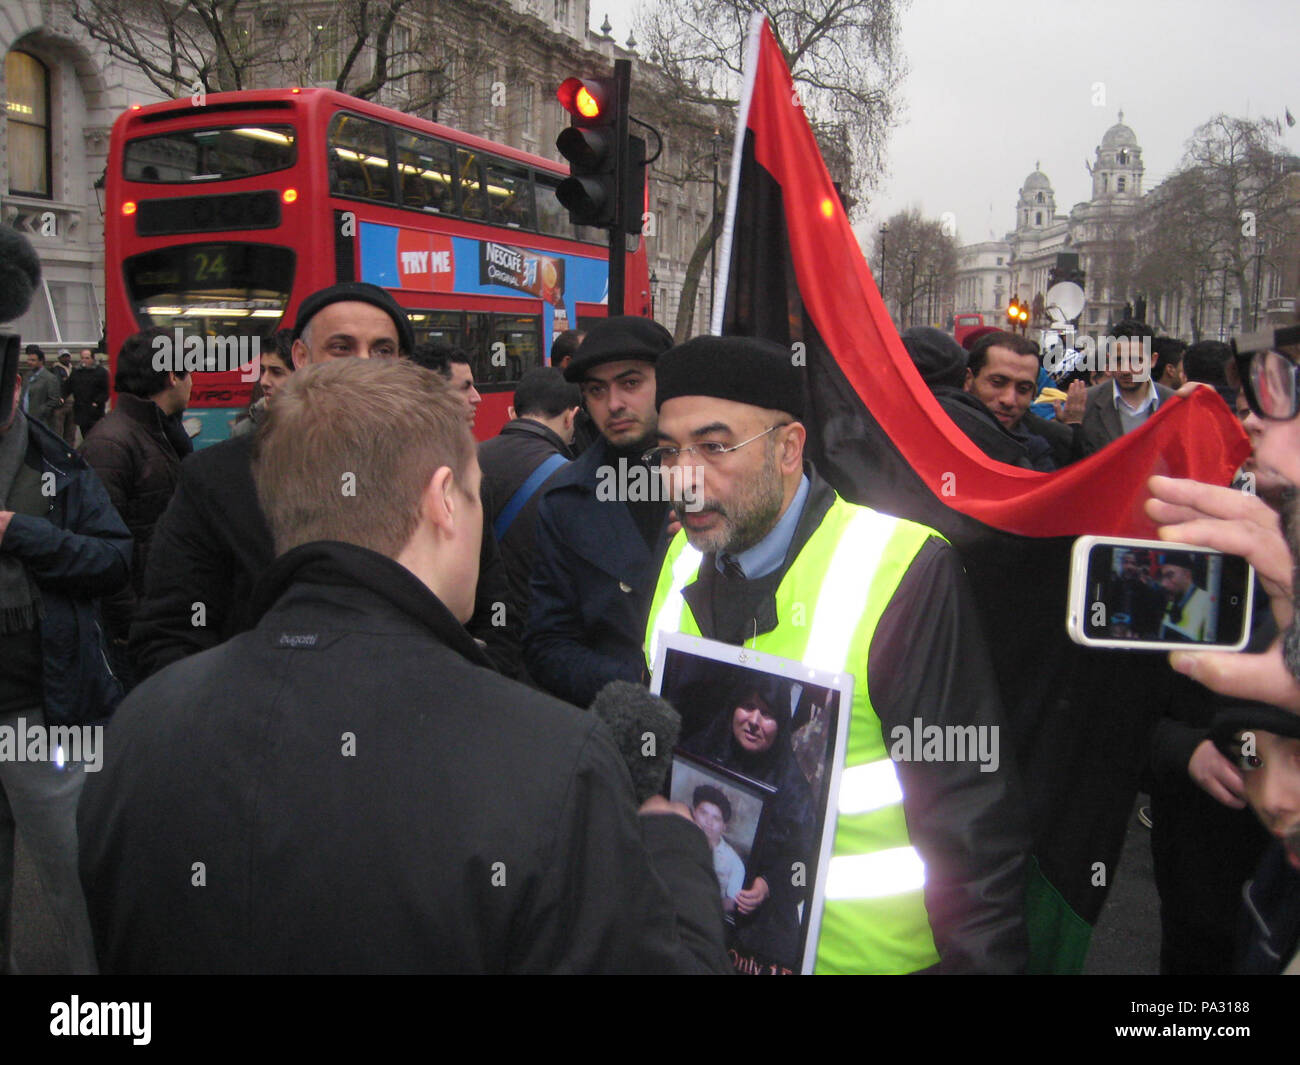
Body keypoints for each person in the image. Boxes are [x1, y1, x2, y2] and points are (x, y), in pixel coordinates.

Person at [78, 358, 729, 974]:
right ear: (444, 500)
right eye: (477, 495)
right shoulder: (552, 761)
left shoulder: (138, 730)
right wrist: (672, 849)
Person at [643, 335, 1029, 974]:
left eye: (713, 448)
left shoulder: (901, 568)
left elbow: (975, 818)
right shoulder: (679, 557)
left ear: (788, 448)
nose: (683, 479)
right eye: (668, 452)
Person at [130, 282, 414, 679]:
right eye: (341, 347)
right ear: (302, 356)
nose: (362, 365)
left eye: (382, 351)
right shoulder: (216, 480)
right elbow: (168, 635)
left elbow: (490, 623)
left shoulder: (438, 475)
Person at [0, 363, 131, 974]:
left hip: (40, 710)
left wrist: (20, 533)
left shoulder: (57, 464)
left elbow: (111, 559)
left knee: (74, 877)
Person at [524, 316, 675, 706]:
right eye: (596, 390)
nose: (615, 404)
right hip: (621, 728)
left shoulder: (717, 481)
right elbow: (547, 643)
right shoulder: (565, 500)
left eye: (630, 383)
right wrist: (640, 682)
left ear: (668, 380)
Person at [79, 328, 191, 690]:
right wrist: (130, 626)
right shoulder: (111, 443)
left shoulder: (163, 433)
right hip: (136, 629)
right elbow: (101, 546)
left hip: (164, 615)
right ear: (173, 376)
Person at [681, 676, 815, 968]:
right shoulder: (701, 749)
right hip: (688, 906)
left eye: (767, 714)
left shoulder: (794, 789)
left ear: (781, 724)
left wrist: (767, 885)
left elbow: (805, 866)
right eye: (747, 706)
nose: (753, 720)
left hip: (755, 930)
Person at [478, 366, 578, 634]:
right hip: (533, 638)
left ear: (512, 413)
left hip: (476, 634)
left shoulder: (470, 460)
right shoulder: (571, 479)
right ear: (571, 417)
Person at [1073, 319, 1174, 456]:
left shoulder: (1173, 403)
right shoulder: (1086, 403)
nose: (1126, 369)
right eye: (1119, 360)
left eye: (1135, 360)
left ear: (1153, 360)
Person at [230, 330, 294, 438]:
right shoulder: (245, 430)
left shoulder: (321, 427)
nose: (263, 382)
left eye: (276, 372)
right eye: (262, 371)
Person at [691, 784, 745, 911]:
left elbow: (731, 903)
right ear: (694, 812)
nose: (708, 822)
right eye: (703, 813)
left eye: (716, 818)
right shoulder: (678, 834)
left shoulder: (734, 863)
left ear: (724, 827)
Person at [1157, 551, 1212, 642]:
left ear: (1187, 575)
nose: (1163, 584)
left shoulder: (1207, 603)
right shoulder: (1172, 602)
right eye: (1162, 577)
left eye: (1170, 575)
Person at [68, 348, 109, 442]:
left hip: (95, 411)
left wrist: (97, 402)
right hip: (80, 409)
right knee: (84, 433)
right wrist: (62, 397)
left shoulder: (101, 372)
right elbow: (68, 385)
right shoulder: (76, 372)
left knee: (95, 435)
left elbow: (106, 390)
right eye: (82, 358)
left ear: (92, 359)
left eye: (87, 358)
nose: (84, 360)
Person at [21, 347, 61, 430]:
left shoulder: (49, 378)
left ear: (41, 361)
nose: (29, 363)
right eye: (28, 360)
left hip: (40, 421)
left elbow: (54, 400)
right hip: (25, 418)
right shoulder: (27, 376)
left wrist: (41, 411)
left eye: (33, 360)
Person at [50, 350, 76, 445]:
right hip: (61, 403)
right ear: (59, 358)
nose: (66, 358)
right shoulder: (56, 370)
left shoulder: (73, 369)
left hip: (73, 403)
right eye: (64, 356)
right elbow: (58, 384)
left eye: (67, 356)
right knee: (58, 430)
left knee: (71, 431)